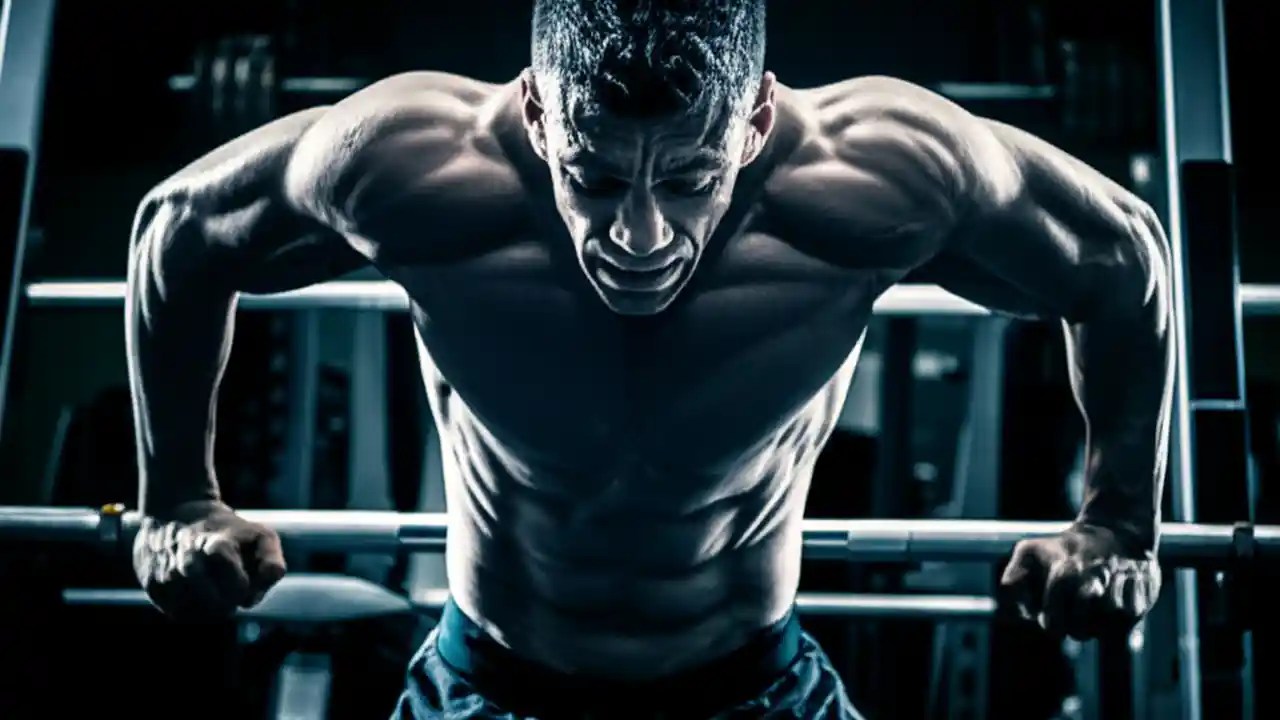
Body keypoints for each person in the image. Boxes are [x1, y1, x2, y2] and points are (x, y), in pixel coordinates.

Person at [126, 1, 1172, 717]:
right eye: (590, 176)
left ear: (754, 119)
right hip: (491, 680)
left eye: (686, 178)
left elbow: (1120, 254)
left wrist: (1117, 520)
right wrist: (176, 500)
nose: (638, 233)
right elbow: (177, 228)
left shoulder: (879, 176)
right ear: (536, 111)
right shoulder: (415, 167)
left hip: (753, 684)